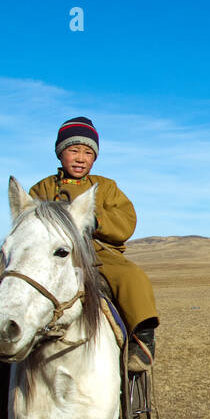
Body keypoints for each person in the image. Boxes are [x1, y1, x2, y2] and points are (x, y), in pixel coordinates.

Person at [28, 117, 159, 372]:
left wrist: (95, 221)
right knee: (13, 282)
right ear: (60, 153)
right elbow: (29, 223)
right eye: (73, 150)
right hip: (52, 254)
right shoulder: (42, 188)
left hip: (99, 252)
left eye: (88, 152)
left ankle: (142, 338)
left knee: (132, 276)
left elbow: (126, 221)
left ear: (94, 158)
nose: (80, 158)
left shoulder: (106, 187)